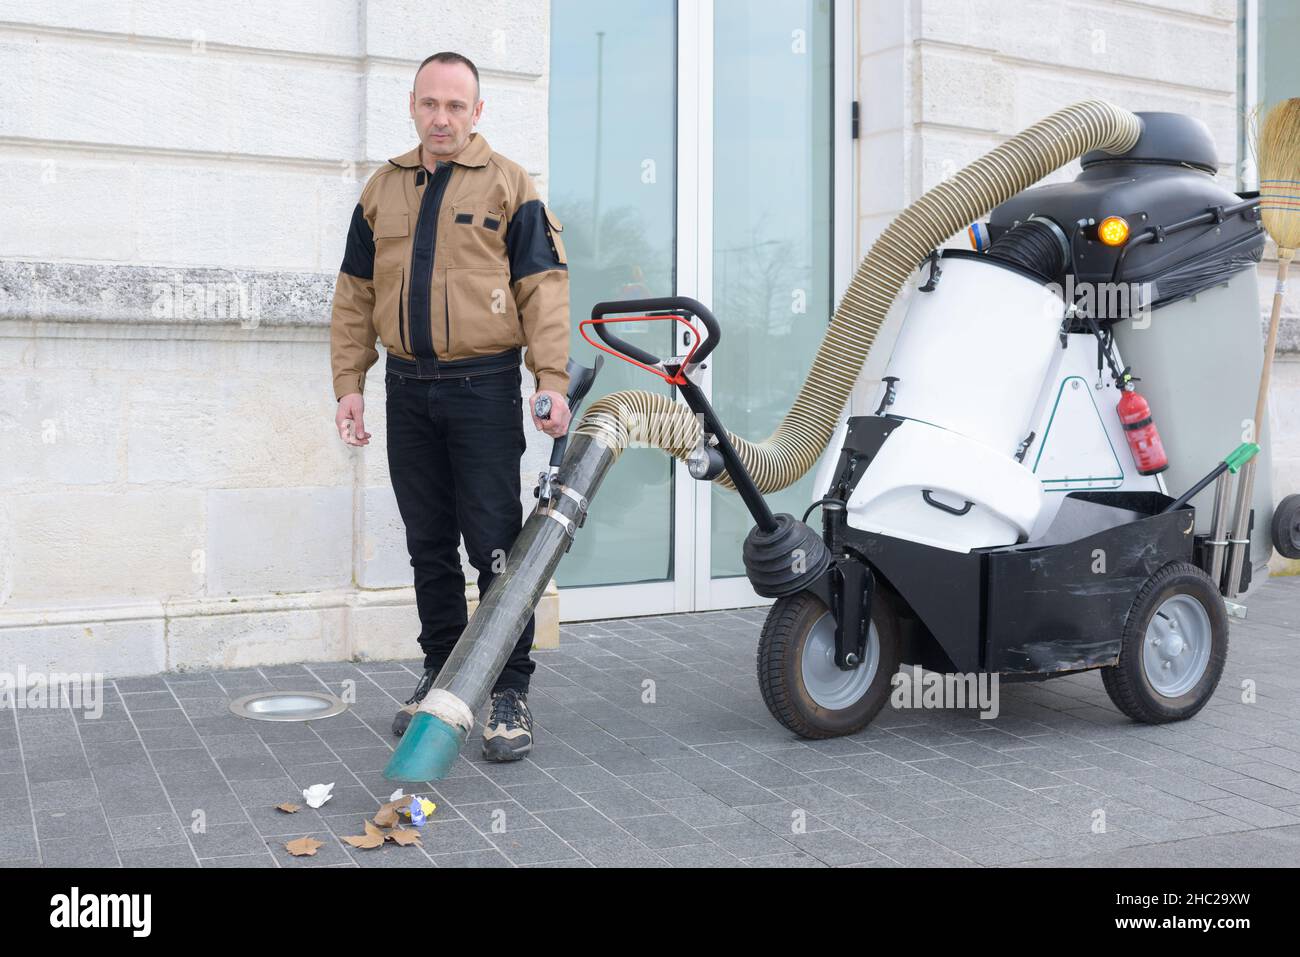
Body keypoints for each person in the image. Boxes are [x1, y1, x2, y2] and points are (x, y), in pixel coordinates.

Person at [329, 51, 571, 761]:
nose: (442, 117)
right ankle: (439, 675)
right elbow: (353, 296)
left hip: (483, 389)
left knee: (495, 546)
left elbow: (542, 289)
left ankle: (506, 690)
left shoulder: (509, 185)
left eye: (455, 106)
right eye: (430, 104)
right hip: (406, 389)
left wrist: (548, 378)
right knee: (428, 543)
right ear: (412, 105)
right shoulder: (382, 190)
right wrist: (350, 382)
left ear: (476, 113)